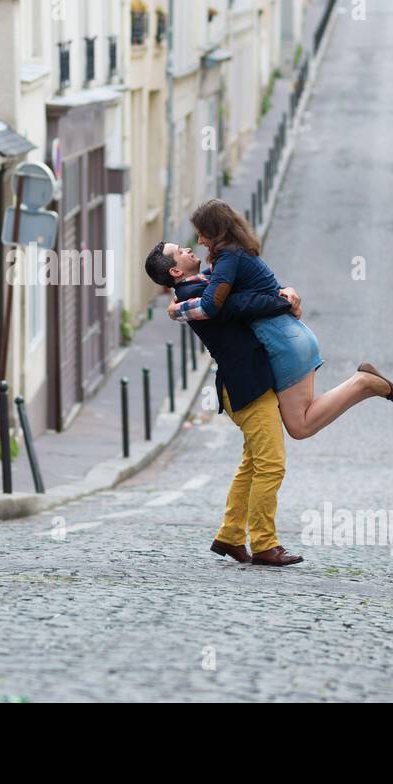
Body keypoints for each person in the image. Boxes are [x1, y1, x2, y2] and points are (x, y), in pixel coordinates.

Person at [165, 198, 393, 441]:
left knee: (300, 426)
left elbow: (212, 306)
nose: (200, 241)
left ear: (216, 230)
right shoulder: (235, 255)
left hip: (283, 341)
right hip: (290, 336)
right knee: (302, 422)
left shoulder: (228, 259)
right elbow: (208, 284)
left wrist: (177, 310)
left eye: (203, 233)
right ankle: (362, 383)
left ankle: (363, 382)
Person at [144, 239, 302, 566]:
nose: (190, 250)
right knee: (271, 464)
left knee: (253, 464)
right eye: (181, 252)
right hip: (246, 386)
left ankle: (230, 535)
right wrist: (281, 301)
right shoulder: (194, 296)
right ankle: (264, 543)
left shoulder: (203, 285)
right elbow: (243, 305)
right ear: (175, 270)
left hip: (247, 382)